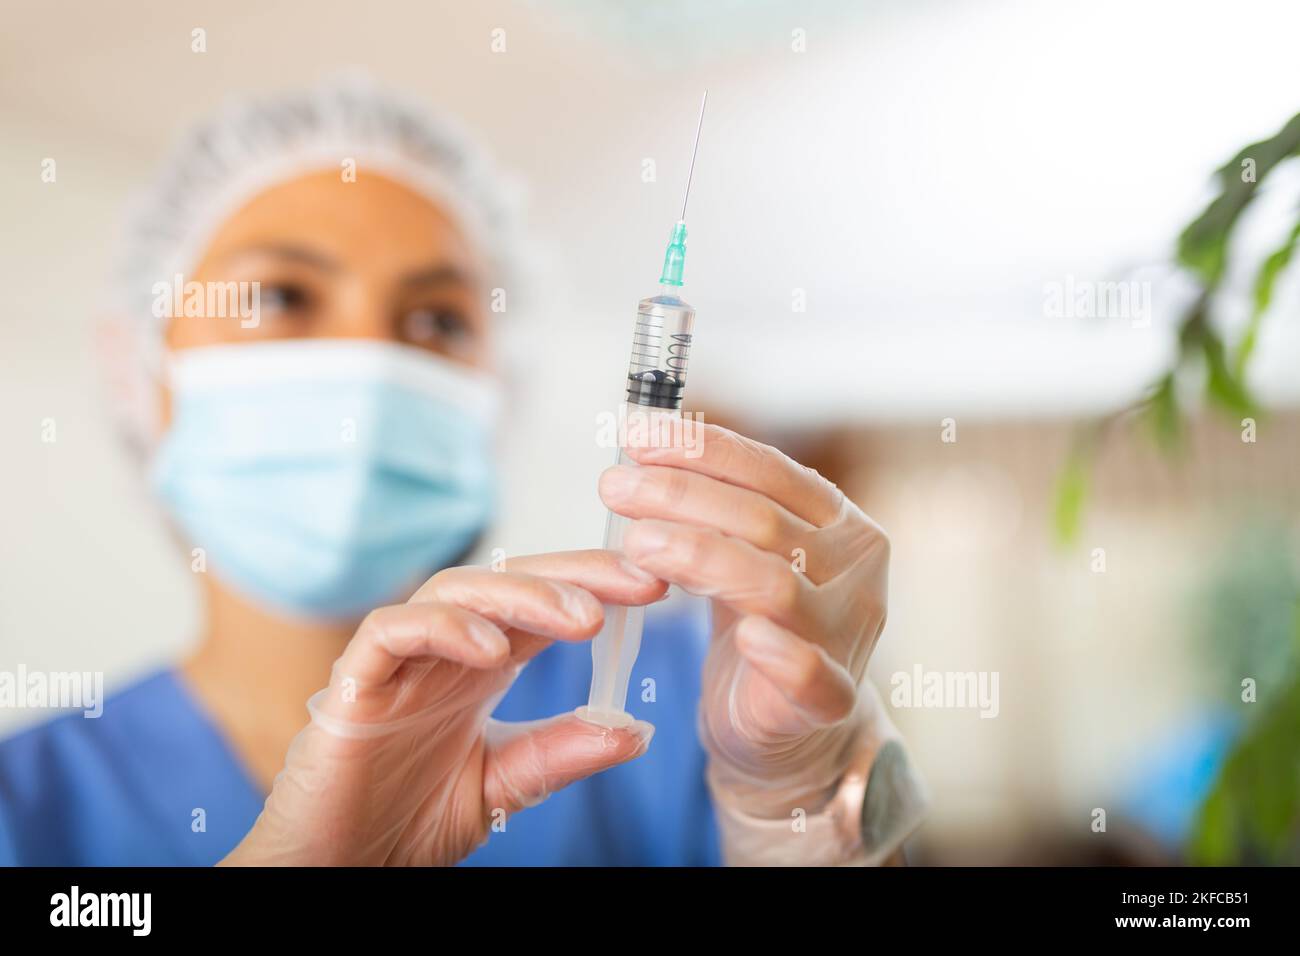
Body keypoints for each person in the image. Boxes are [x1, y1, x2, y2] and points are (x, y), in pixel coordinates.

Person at [0, 78, 925, 867]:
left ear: (498, 388)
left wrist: (806, 809)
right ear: (142, 377)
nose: (366, 365)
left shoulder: (688, 693)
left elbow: (874, 827)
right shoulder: (27, 804)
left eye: (439, 319)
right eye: (282, 296)